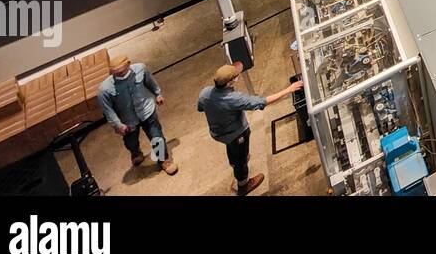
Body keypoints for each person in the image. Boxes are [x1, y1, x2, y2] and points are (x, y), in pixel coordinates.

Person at [197, 63, 303, 195]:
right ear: (229, 82)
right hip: (236, 134)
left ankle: (235, 162)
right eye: (236, 76)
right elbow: (261, 102)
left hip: (218, 133)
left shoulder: (205, 92)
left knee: (233, 150)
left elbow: (200, 107)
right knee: (240, 159)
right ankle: (243, 183)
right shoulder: (233, 99)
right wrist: (289, 89)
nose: (238, 76)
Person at [96, 55, 178, 175]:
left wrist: (158, 94)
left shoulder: (141, 69)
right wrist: (118, 124)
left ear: (128, 64)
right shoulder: (105, 90)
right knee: (131, 142)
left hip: (147, 111)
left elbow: (150, 82)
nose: (119, 75)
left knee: (157, 137)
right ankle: (135, 152)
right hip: (128, 122)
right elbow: (108, 110)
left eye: (121, 71)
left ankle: (163, 160)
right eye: (115, 73)